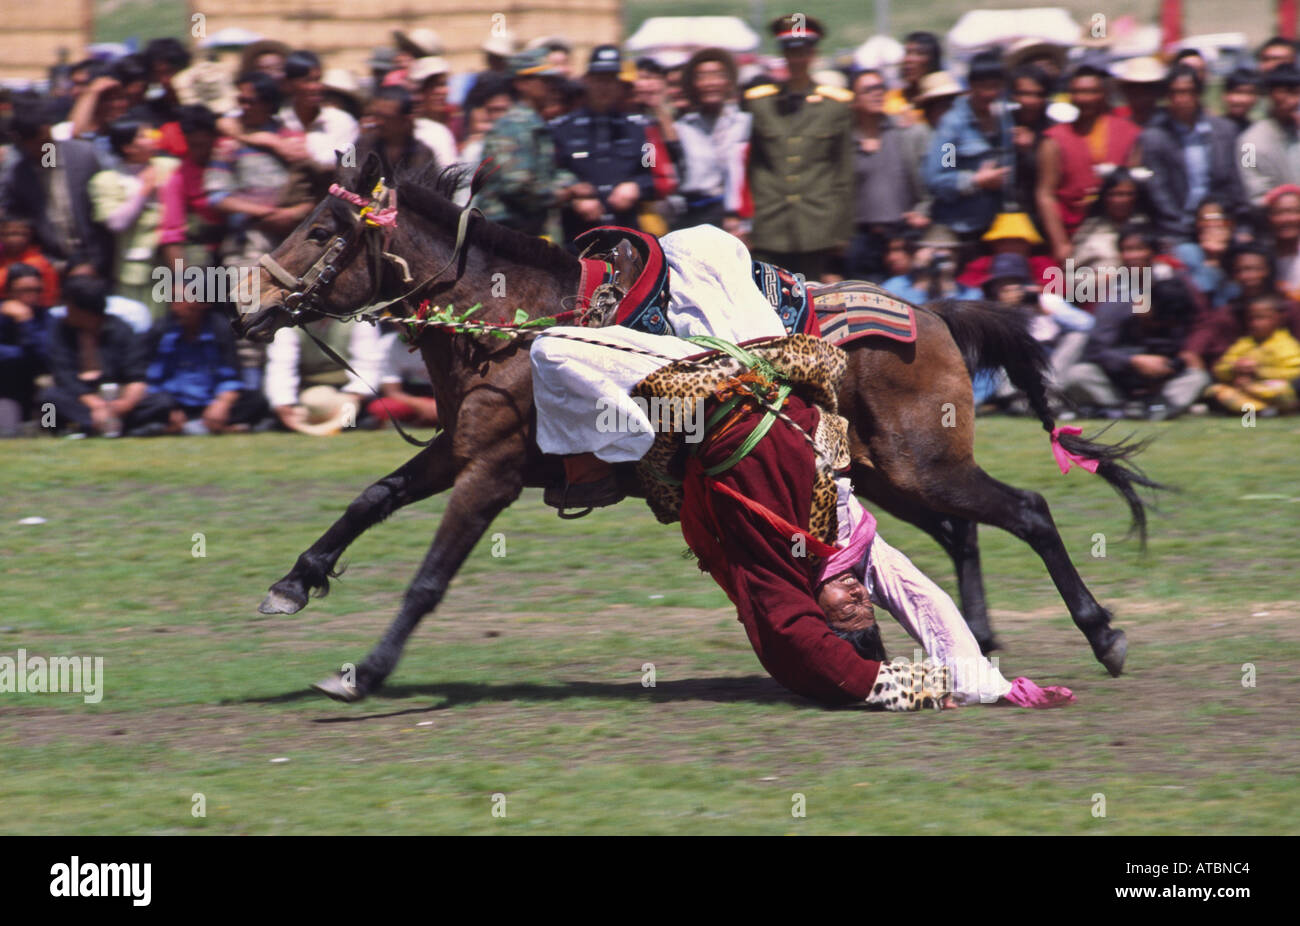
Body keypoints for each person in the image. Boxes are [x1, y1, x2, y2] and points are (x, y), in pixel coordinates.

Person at [743, 14, 854, 282]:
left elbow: (843, 172)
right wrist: (747, 219)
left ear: (813, 53)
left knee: (809, 298)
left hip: (815, 224)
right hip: (769, 222)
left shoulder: (835, 105)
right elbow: (749, 165)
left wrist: (840, 231)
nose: (797, 59)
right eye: (790, 52)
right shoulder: (758, 103)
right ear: (783, 54)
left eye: (803, 51)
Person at [1062, 245, 1211, 419]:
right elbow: (1094, 351)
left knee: (1198, 378)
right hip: (1116, 382)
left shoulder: (1175, 313)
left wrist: (1172, 365)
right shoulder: (1117, 308)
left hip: (1158, 386)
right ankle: (1122, 409)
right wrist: (1132, 361)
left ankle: (1155, 408)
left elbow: (1178, 352)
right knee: (1078, 374)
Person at [36, 275, 172, 436]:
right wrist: (97, 406)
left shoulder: (122, 330)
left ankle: (91, 428)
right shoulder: (59, 330)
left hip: (117, 400)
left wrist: (123, 405)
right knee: (48, 400)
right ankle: (108, 427)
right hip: (81, 399)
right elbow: (64, 375)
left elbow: (136, 376)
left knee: (163, 402)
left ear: (84, 311)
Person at [551, 45, 656, 245]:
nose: (604, 87)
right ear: (587, 81)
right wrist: (573, 195)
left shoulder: (640, 129)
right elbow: (551, 173)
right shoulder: (561, 129)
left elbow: (653, 175)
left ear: (619, 85)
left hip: (628, 239)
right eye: (599, 80)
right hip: (578, 239)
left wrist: (636, 187)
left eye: (610, 80)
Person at [1037, 63, 1141, 264]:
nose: (1084, 99)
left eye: (1092, 92)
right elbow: (1045, 194)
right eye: (1078, 92)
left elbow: (1134, 187)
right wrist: (1060, 243)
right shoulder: (1054, 140)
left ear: (1103, 94)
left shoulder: (1129, 132)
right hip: (1075, 233)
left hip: (1119, 233)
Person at [472, 48, 580, 238]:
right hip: (505, 237)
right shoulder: (513, 126)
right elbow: (517, 186)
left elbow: (549, 173)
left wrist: (571, 184)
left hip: (529, 234)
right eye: (544, 80)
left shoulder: (534, 124)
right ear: (521, 83)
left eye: (552, 80)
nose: (551, 86)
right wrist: (560, 194)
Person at [0, 97, 110, 274]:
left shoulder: (83, 156)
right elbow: (22, 224)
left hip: (99, 259)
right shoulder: (18, 175)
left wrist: (95, 262)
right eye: (40, 142)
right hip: (55, 266)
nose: (47, 145)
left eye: (48, 138)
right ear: (23, 143)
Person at [1139, 65, 1246, 244]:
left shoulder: (1226, 131)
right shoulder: (1154, 138)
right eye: (1176, 92)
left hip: (1222, 221)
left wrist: (1233, 221)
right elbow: (1158, 190)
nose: (1182, 98)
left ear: (1198, 93)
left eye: (1189, 92)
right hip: (1176, 228)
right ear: (1167, 96)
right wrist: (1183, 224)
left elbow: (1237, 180)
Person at [87, 119, 180, 319]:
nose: (152, 138)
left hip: (173, 268)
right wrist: (143, 191)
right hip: (135, 273)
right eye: (143, 136)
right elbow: (116, 223)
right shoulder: (106, 180)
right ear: (128, 147)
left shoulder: (170, 166)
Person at [144, 295, 269, 434]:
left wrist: (222, 402)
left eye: (181, 299)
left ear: (203, 303)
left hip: (211, 400)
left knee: (255, 400)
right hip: (173, 402)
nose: (175, 305)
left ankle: (186, 428)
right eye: (172, 299)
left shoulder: (220, 328)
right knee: (151, 404)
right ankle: (212, 428)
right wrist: (169, 410)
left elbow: (230, 376)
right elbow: (153, 378)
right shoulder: (162, 328)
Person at [923, 51, 1010, 243]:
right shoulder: (953, 127)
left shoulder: (1005, 120)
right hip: (961, 229)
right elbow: (938, 178)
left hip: (998, 226)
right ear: (971, 86)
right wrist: (976, 181)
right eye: (983, 86)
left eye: (995, 86)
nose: (989, 93)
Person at [846, 69, 916, 282]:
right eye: (868, 90)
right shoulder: (845, 139)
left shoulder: (903, 131)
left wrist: (922, 210)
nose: (877, 94)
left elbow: (939, 165)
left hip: (901, 237)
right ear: (855, 99)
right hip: (861, 240)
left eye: (880, 88)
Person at [263, 316, 387, 436]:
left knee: (362, 419)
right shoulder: (288, 325)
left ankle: (349, 422)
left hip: (349, 393)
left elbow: (368, 363)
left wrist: (355, 395)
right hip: (307, 392)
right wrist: (284, 404)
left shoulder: (359, 320)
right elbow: (281, 366)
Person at [672, 48, 750, 234]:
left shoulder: (745, 124)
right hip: (692, 216)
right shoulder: (683, 128)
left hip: (734, 220)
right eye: (702, 77)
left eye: (717, 75)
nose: (710, 83)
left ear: (729, 83)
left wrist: (745, 222)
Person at [1204, 293, 1300, 414]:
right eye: (1251, 319)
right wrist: (1234, 368)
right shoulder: (1244, 344)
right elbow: (1219, 368)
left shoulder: (1285, 344)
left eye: (1261, 318)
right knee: (1217, 390)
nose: (1255, 323)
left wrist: (1257, 371)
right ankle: (1263, 410)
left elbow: (1294, 373)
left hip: (1271, 389)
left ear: (1278, 319)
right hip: (1245, 390)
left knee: (1281, 389)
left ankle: (1258, 409)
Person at [1237, 65, 1300, 206]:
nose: (1291, 100)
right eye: (1285, 92)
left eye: (1295, 93)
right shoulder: (1249, 143)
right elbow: (1253, 190)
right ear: (1270, 95)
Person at [0, 264, 49, 434]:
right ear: (9, 291)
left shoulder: (45, 317)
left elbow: (45, 356)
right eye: (24, 290)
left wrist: (25, 321)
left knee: (50, 401)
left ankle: (49, 430)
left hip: (37, 387)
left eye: (36, 290)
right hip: (6, 389)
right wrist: (24, 354)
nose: (32, 296)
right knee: (6, 432)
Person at [354, 86, 435, 176]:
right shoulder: (363, 145)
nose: (379, 122)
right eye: (376, 115)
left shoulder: (422, 153)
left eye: (387, 118)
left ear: (405, 120)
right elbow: (347, 175)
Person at [884, 31, 943, 128]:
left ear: (933, 60)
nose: (909, 60)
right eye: (907, 53)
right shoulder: (891, 98)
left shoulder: (943, 100)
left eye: (919, 53)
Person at [0, 215, 59, 306]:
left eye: (19, 234)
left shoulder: (38, 262)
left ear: (30, 235)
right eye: (6, 234)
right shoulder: (3, 256)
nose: (13, 239)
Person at [1222, 68, 1262, 134]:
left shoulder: (1256, 130)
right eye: (1237, 92)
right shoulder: (1213, 128)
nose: (1242, 100)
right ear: (1225, 95)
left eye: (1249, 93)